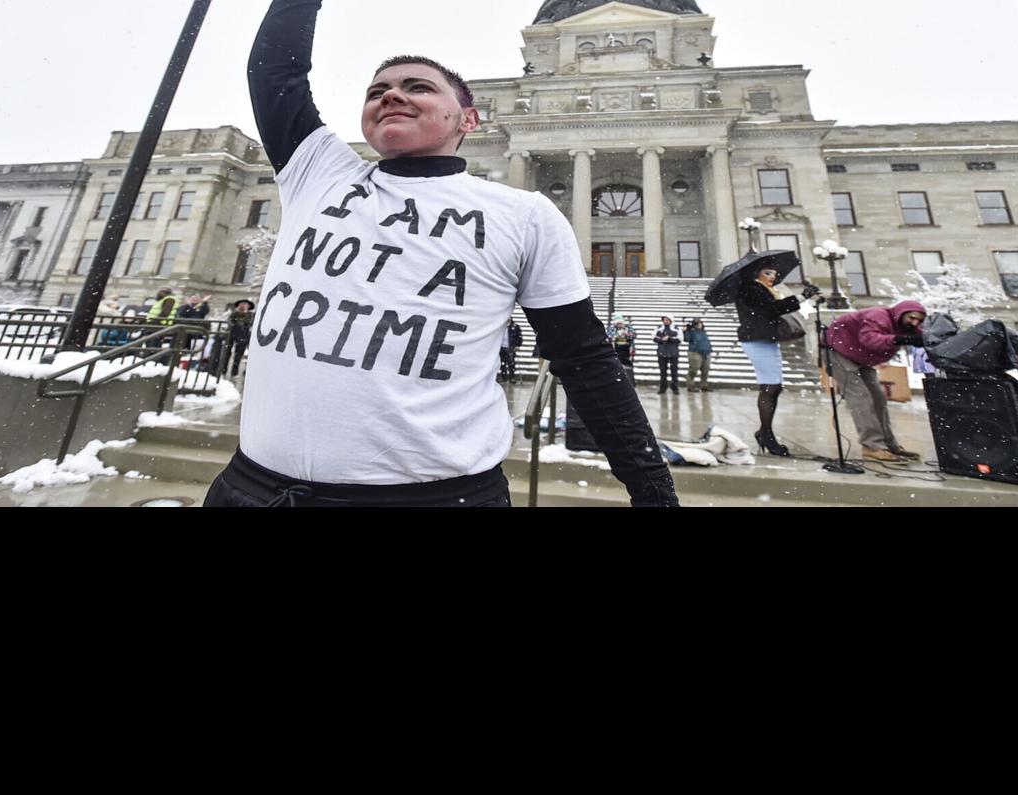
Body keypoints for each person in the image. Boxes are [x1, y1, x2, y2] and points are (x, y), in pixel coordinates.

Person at [203, 0, 676, 507]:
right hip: (251, 489)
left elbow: (584, 359)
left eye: (418, 87)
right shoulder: (318, 173)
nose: (392, 96)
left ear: (469, 118)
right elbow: (275, 71)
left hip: (434, 497)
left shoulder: (524, 215)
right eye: (377, 91)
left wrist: (652, 490)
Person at [823, 301, 927, 463]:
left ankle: (888, 444)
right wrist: (898, 339)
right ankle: (872, 446)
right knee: (861, 398)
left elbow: (921, 336)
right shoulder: (878, 316)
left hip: (860, 358)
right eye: (912, 318)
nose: (915, 323)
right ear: (901, 314)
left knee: (879, 399)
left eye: (919, 321)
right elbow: (869, 338)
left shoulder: (904, 326)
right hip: (838, 352)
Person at [734, 262, 813, 456]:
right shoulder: (751, 288)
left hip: (765, 338)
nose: (772, 277)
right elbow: (771, 308)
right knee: (770, 386)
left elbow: (772, 308)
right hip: (756, 339)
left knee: (774, 386)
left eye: (774, 274)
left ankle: (765, 432)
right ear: (757, 273)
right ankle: (766, 435)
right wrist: (802, 296)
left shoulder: (764, 289)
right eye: (767, 272)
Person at [654, 315, 681, 394]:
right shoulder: (659, 328)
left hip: (673, 353)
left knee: (674, 372)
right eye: (664, 320)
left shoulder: (676, 328)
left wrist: (669, 338)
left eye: (667, 320)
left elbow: (679, 339)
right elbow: (654, 338)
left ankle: (675, 388)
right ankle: (663, 388)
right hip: (662, 353)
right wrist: (662, 340)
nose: (665, 321)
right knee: (663, 372)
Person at [683, 318, 712, 392]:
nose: (699, 325)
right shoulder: (691, 332)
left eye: (700, 323)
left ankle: (704, 385)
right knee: (694, 369)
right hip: (695, 352)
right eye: (697, 324)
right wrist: (686, 331)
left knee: (705, 370)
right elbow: (686, 339)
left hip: (706, 353)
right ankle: (690, 385)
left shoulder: (703, 332)